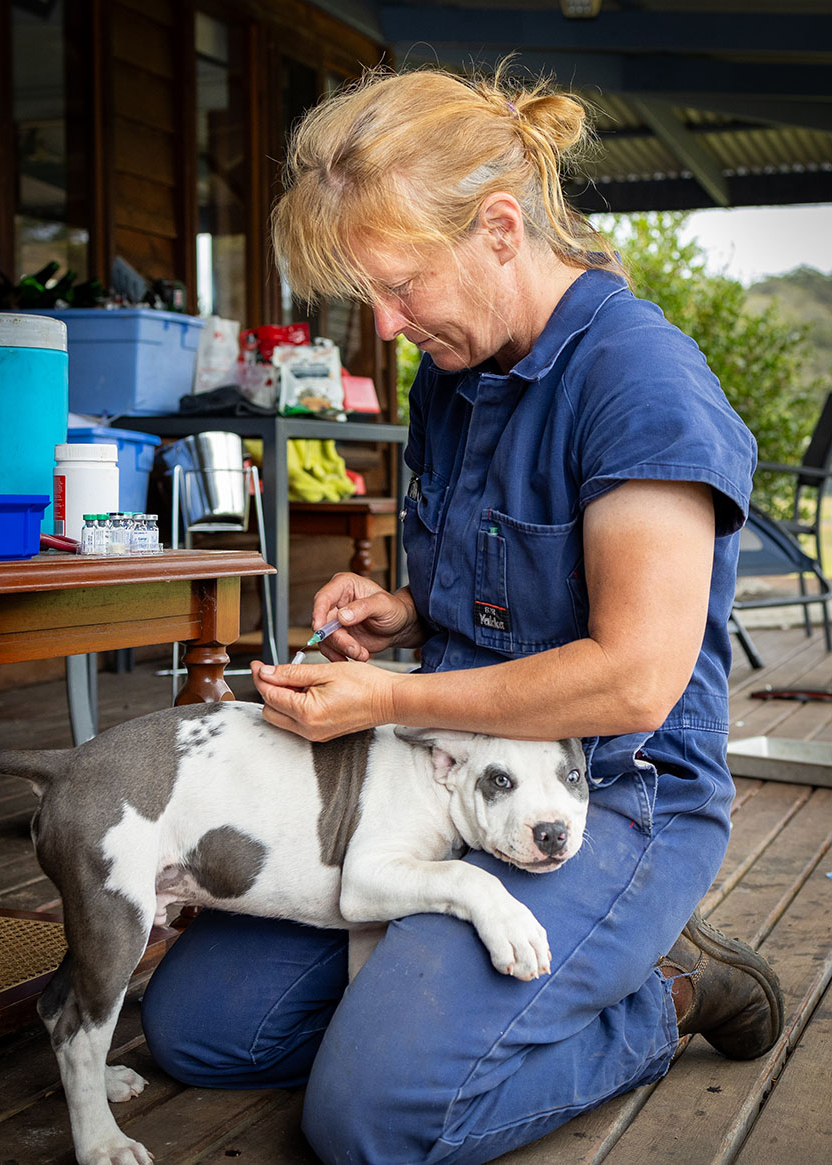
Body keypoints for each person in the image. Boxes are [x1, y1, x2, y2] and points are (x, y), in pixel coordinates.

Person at [141, 66, 784, 1164]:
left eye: (399, 287)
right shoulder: (454, 367)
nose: (386, 328)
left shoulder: (640, 383)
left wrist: (388, 695)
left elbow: (632, 679)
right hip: (429, 776)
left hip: (608, 799)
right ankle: (448, 1012)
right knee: (200, 1030)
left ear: (497, 227)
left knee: (372, 1119)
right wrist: (399, 611)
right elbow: (488, 590)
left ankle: (666, 989)